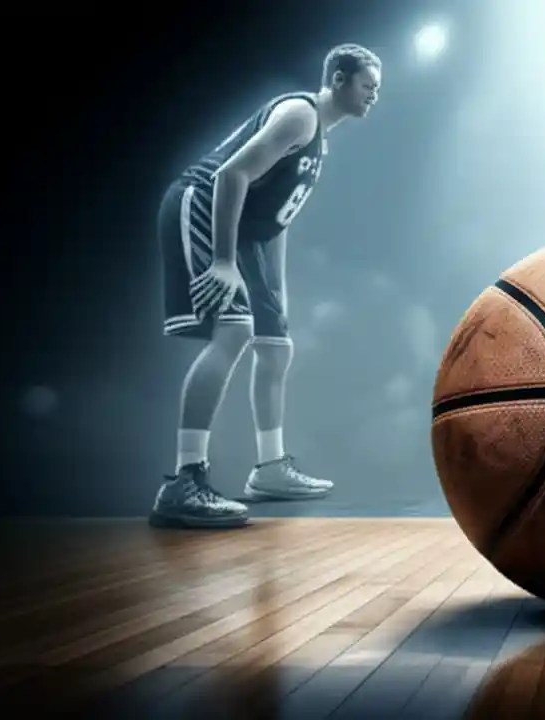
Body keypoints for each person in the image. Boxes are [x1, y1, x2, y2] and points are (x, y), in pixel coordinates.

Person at [149, 43, 382, 528]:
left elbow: (276, 221)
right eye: (367, 86)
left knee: (276, 347)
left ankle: (270, 469)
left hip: (249, 232)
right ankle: (182, 481)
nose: (373, 96)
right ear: (338, 80)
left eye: (376, 89)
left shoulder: (321, 140)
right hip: (201, 203)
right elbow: (230, 174)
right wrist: (221, 260)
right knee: (233, 333)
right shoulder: (300, 115)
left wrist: (275, 292)